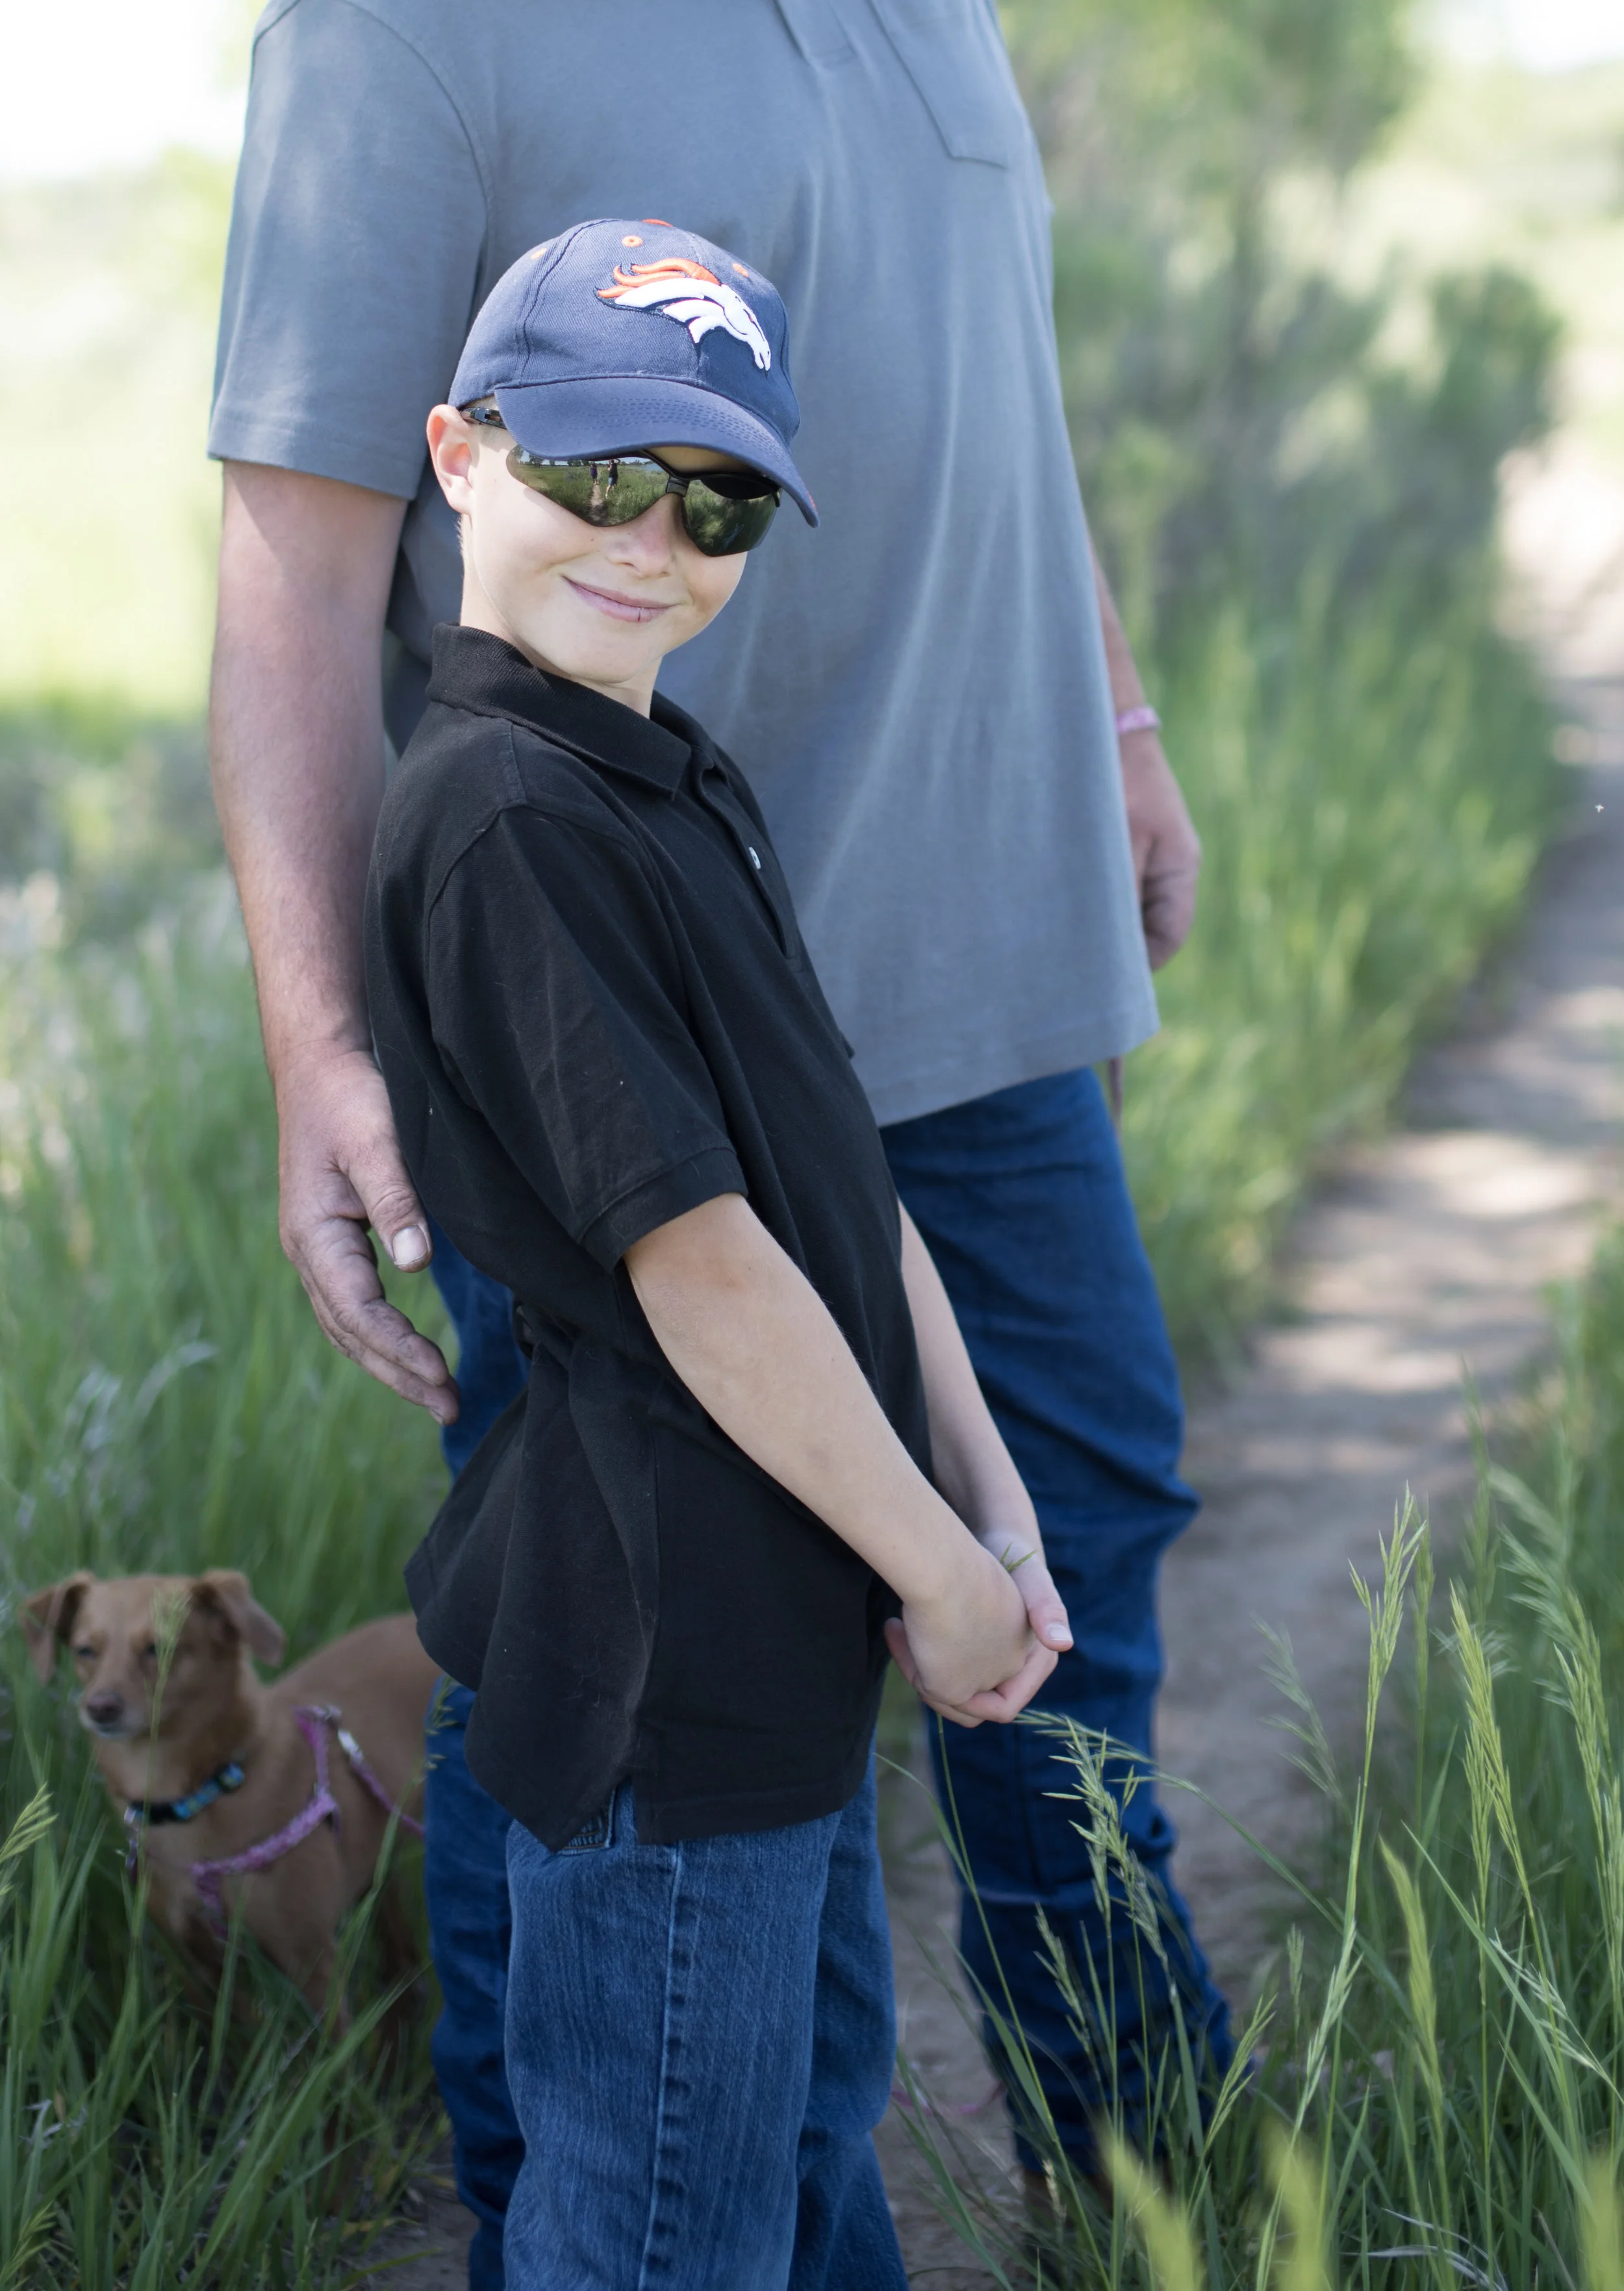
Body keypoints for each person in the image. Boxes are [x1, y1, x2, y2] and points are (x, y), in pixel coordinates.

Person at [207, 3, 1232, 2276]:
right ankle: (654, 2226)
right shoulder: (398, 37)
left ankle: (1158, 2193)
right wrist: (318, 1047)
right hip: (632, 1038)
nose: (652, 531)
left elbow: (997, 403)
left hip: (975, 970)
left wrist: (1116, 711)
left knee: (1069, 1551)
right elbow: (292, 561)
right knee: (645, 1676)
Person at [364, 216, 1072, 2288]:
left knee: (791, 2143)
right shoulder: (506, 812)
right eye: (592, 471)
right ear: (456, 454)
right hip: (669, 1658)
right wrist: (941, 1580)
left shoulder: (666, 771)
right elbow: (701, 1265)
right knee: (657, 2220)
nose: (647, 539)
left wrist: (982, 1492)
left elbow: (832, 1178)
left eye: (715, 496)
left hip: (791, 1614)